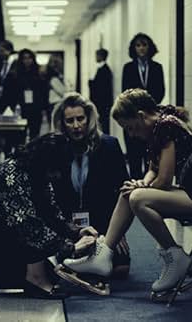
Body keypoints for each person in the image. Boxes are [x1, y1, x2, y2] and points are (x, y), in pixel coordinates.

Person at [57, 89, 192, 296]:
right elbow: (153, 170)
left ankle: (176, 258)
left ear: (141, 116)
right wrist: (141, 182)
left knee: (138, 198)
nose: (131, 134)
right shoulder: (158, 125)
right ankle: (103, 256)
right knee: (128, 192)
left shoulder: (166, 126)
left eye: (130, 128)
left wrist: (141, 189)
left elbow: (165, 180)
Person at [0, 133, 94, 299]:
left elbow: (52, 213)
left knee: (51, 268)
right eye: (56, 169)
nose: (58, 176)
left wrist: (76, 231)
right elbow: (28, 226)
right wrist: (71, 248)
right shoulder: (12, 176)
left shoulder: (37, 171)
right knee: (37, 243)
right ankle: (35, 280)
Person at [50, 92, 131, 277]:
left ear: (89, 118)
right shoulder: (55, 150)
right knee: (58, 266)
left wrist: (117, 233)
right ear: (63, 124)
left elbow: (124, 192)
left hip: (104, 227)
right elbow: (51, 199)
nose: (76, 126)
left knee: (120, 270)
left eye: (80, 119)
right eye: (70, 121)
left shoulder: (109, 146)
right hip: (68, 227)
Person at [121, 33, 165, 179]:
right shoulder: (128, 68)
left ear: (149, 47)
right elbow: (125, 91)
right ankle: (135, 189)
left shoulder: (157, 67)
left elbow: (160, 90)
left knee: (150, 157)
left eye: (144, 45)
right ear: (134, 48)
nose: (141, 48)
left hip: (150, 116)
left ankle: (148, 189)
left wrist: (147, 106)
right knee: (134, 157)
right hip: (133, 116)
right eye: (138, 45)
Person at [4, 48, 47, 139]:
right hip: (20, 108)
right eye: (24, 58)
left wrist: (43, 108)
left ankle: (33, 153)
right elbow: (9, 93)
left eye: (29, 58)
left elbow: (44, 92)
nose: (27, 60)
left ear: (33, 59)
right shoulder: (14, 74)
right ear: (21, 60)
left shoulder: (38, 73)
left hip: (35, 108)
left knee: (35, 135)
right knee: (20, 135)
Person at [89, 48, 114, 134]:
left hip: (103, 104)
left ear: (101, 56)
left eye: (97, 55)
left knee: (104, 125)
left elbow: (101, 88)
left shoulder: (104, 70)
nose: (95, 57)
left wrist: (91, 83)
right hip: (103, 103)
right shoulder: (102, 69)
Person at [46, 54, 68, 123]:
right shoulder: (53, 78)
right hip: (55, 104)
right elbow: (63, 92)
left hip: (55, 104)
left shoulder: (56, 77)